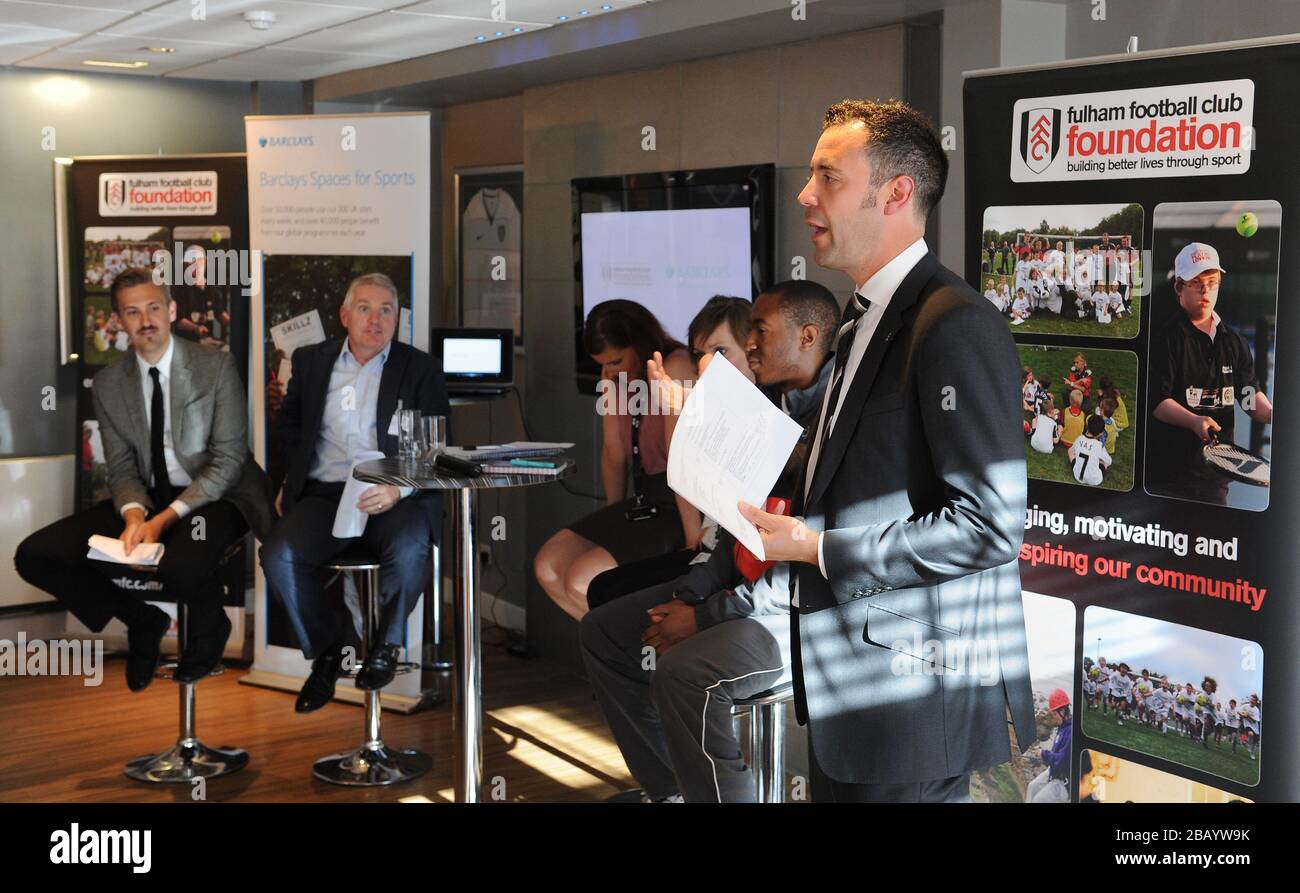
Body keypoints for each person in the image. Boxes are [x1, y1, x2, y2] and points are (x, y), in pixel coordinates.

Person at [738, 99, 1035, 803]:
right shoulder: (859, 316)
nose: (805, 195)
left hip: (912, 700)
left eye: (827, 178)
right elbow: (844, 461)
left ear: (897, 193)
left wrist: (818, 548)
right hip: (858, 700)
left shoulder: (955, 325)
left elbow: (990, 524)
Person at [581, 280, 838, 803]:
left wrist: (701, 616)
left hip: (800, 612)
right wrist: (693, 596)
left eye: (759, 334)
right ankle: (672, 792)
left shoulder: (835, 420)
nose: (751, 347)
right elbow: (730, 531)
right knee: (603, 631)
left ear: (808, 337)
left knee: (680, 672)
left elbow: (799, 569)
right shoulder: (774, 409)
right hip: (740, 586)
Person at [15, 268, 273, 687]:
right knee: (36, 554)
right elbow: (121, 468)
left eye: (154, 308)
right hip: (149, 496)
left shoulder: (216, 366)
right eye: (132, 312)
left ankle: (211, 632)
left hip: (216, 498)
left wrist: (162, 520)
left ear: (171, 310)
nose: (146, 320)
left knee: (181, 569)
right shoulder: (108, 383)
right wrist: (135, 516)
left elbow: (227, 460)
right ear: (118, 321)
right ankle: (141, 619)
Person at [260, 272, 449, 712]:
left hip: (393, 489)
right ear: (345, 315)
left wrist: (398, 491)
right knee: (278, 555)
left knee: (409, 547)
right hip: (326, 493)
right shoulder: (311, 360)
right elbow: (288, 427)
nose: (376, 319)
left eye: (387, 310)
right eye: (364, 308)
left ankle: (385, 646)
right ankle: (330, 648)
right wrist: (286, 481)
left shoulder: (419, 369)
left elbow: (436, 446)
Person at [584, 295, 755, 610]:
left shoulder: (761, 409)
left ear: (755, 351)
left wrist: (696, 536)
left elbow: (686, 456)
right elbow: (614, 450)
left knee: (601, 590)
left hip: (714, 544)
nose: (704, 365)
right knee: (596, 587)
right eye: (699, 354)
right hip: (700, 534)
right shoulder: (698, 397)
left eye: (720, 352)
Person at [533, 300, 694, 621]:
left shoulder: (673, 368)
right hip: (645, 501)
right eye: (601, 364)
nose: (607, 372)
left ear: (641, 344)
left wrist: (692, 542)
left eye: (615, 360)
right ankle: (622, 656)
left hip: (680, 505)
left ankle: (637, 660)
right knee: (548, 565)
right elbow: (613, 453)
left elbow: (684, 459)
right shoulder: (616, 379)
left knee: (582, 581)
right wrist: (614, 516)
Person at [1147, 242, 1274, 505]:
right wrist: (1194, 421)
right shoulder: (1166, 339)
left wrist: (1274, 415)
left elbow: (1249, 398)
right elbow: (1158, 402)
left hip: (1214, 481)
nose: (1205, 290)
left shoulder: (1234, 342)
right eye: (1196, 282)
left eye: (1212, 282)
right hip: (1167, 479)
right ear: (1178, 288)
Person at [1025, 688, 1071, 803]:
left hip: (1064, 781)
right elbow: (1056, 755)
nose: (1054, 717)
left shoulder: (1071, 732)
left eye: (1055, 713)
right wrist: (1041, 755)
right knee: (1032, 787)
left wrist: (1043, 754)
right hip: (1054, 771)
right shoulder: (1062, 727)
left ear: (1064, 710)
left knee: (1038, 801)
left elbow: (1061, 761)